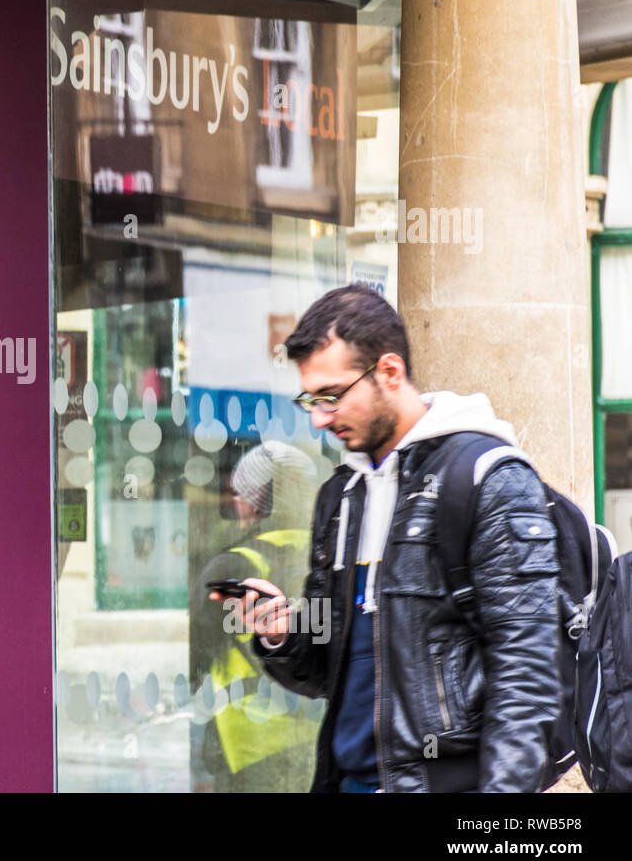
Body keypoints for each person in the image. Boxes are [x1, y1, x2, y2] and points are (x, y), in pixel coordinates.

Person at [217, 284, 562, 793]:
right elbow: (324, 670)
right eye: (310, 398)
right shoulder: (341, 496)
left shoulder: (488, 479)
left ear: (390, 372)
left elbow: (526, 678)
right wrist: (281, 631)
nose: (318, 417)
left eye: (332, 396)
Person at [192, 442, 321, 792]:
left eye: (241, 492)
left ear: (253, 500)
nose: (236, 501)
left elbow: (196, 653)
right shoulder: (323, 556)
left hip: (245, 744)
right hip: (308, 734)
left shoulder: (231, 566)